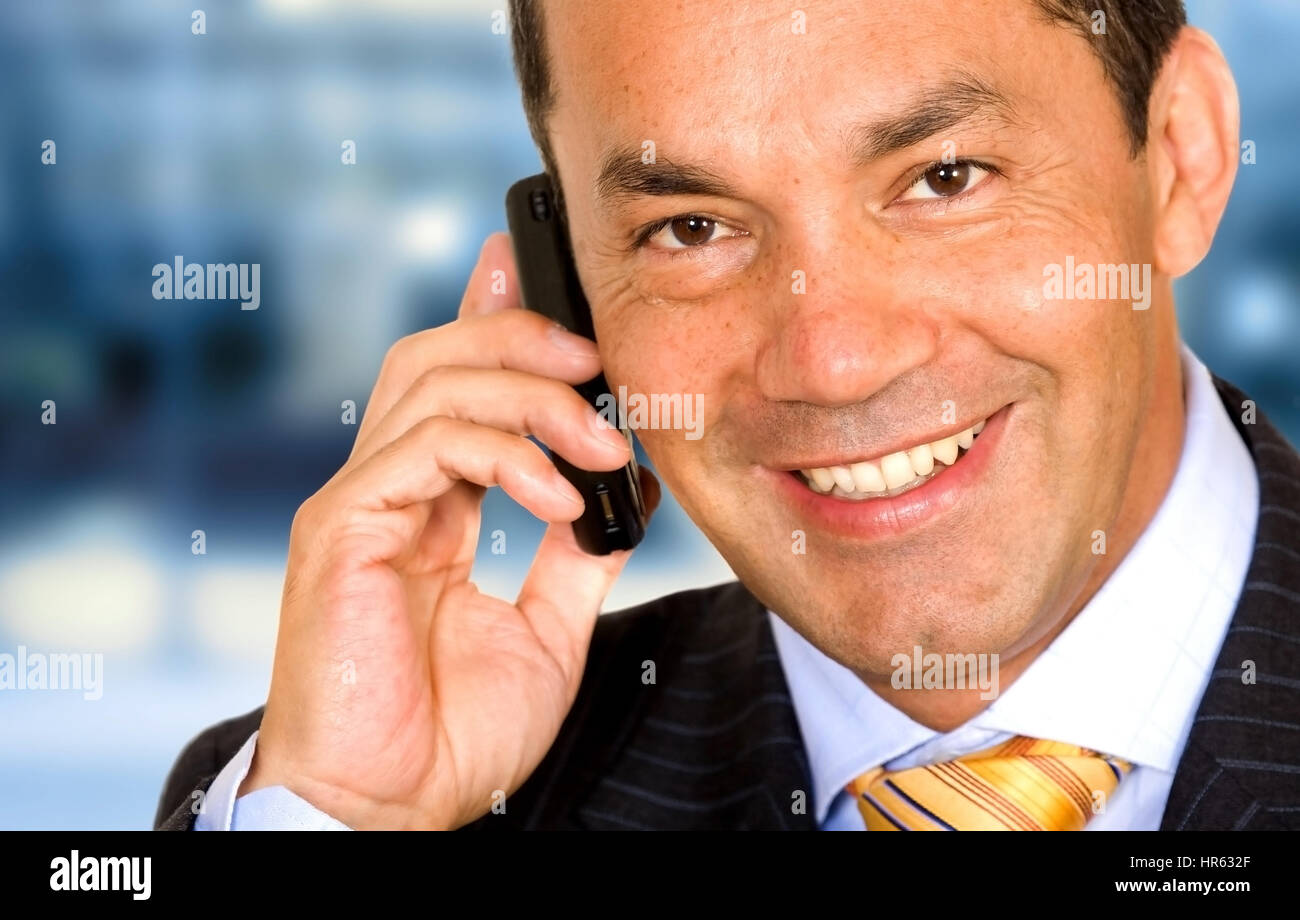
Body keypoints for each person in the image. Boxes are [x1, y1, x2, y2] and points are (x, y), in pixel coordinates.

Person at [155, 0, 1300, 831]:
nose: (834, 361)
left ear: (1178, 158)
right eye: (693, 229)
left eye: (944, 177)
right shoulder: (372, 796)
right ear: (572, 288)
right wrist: (345, 818)